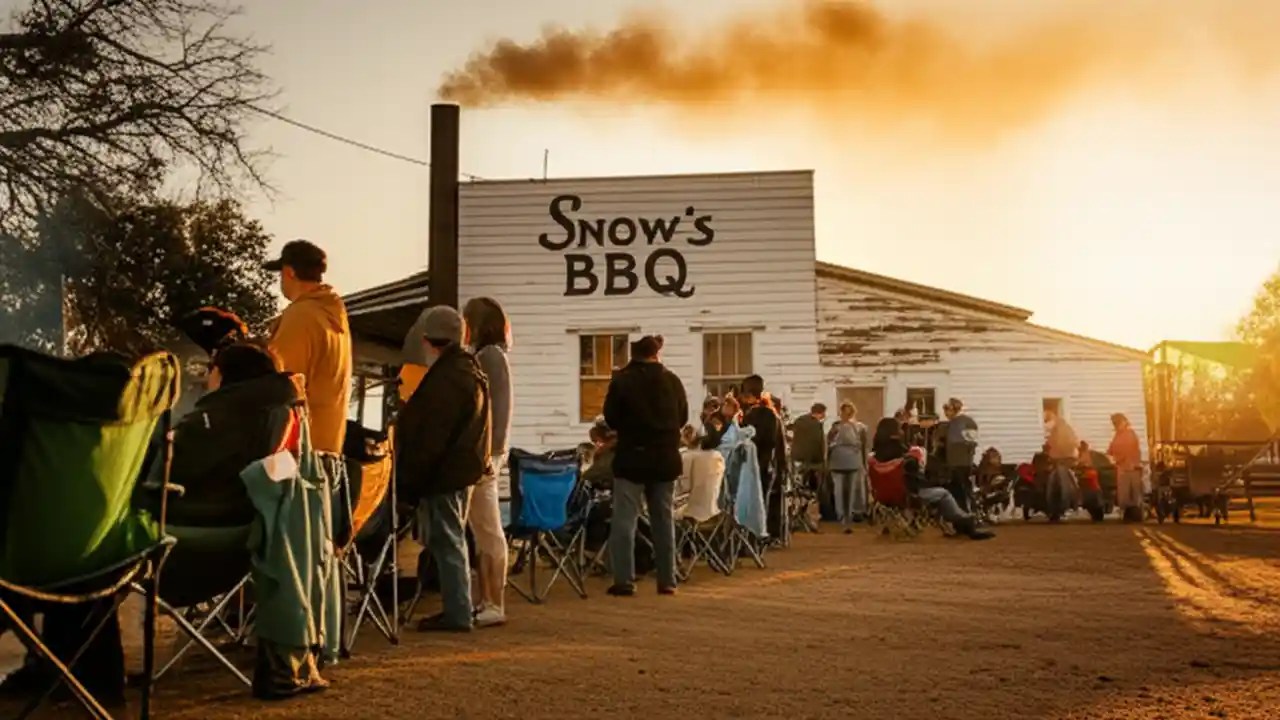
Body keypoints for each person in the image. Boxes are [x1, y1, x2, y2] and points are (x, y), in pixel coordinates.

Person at [396, 306, 491, 632]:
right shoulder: (470, 373)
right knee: (452, 540)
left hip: (443, 475)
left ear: (427, 340)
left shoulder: (445, 380)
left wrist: (409, 483)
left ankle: (457, 613)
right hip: (462, 471)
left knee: (448, 542)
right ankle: (459, 609)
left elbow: (431, 439)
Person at [264, 240, 353, 539]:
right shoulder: (334, 319)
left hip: (298, 457)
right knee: (320, 556)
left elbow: (278, 385)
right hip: (330, 450)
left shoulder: (300, 318)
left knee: (292, 552)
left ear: (288, 272)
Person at [602, 335, 688, 597]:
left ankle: (624, 580)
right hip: (665, 457)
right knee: (663, 520)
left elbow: (611, 418)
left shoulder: (623, 381)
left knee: (624, 521)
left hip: (633, 458)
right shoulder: (672, 381)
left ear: (634, 355)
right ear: (656, 354)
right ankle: (667, 579)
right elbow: (682, 417)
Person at [460, 297, 513, 629]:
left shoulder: (489, 358)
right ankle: (486, 599)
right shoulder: (491, 356)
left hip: (486, 454)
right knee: (482, 529)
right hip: (489, 452)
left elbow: (497, 409)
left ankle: (494, 601)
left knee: (488, 529)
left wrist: (489, 452)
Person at [870, 419, 994, 540]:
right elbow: (919, 478)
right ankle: (967, 524)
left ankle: (961, 522)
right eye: (900, 429)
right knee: (945, 491)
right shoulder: (907, 455)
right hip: (908, 495)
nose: (902, 432)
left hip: (884, 496)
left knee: (944, 483)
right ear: (894, 433)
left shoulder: (873, 457)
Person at [739, 375, 785, 539]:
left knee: (759, 501)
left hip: (762, 463)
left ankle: (759, 534)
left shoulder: (765, 415)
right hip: (758, 463)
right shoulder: (765, 414)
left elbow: (769, 441)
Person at [827, 402, 869, 533]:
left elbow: (828, 444)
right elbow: (864, 447)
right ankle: (848, 514)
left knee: (841, 490)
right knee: (849, 490)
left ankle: (843, 515)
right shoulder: (860, 427)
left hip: (840, 460)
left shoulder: (836, 427)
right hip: (852, 460)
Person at [1043, 406, 1080, 522]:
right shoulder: (1060, 429)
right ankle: (1058, 510)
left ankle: (1063, 508)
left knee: (1061, 484)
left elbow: (1063, 444)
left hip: (1064, 459)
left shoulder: (1061, 429)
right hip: (1061, 459)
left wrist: (1053, 451)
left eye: (1047, 420)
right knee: (1056, 483)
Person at [944, 398, 979, 512]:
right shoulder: (955, 423)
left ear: (954, 409)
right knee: (960, 490)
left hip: (960, 462)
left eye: (947, 410)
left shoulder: (964, 422)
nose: (946, 413)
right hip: (957, 462)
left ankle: (969, 514)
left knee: (962, 490)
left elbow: (970, 442)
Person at [1108, 413, 1144, 522]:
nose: (1116, 426)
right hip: (1124, 468)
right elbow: (1112, 448)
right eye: (1115, 424)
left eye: (1117, 423)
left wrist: (1117, 457)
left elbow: (1126, 450)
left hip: (1130, 467)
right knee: (1126, 493)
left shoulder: (1129, 434)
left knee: (1131, 492)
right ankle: (1129, 514)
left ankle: (1134, 514)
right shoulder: (1119, 435)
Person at [791, 403, 828, 493]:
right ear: (820, 413)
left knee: (799, 486)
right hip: (814, 461)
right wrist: (823, 460)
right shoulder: (817, 425)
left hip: (798, 459)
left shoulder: (799, 420)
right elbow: (819, 443)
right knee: (815, 488)